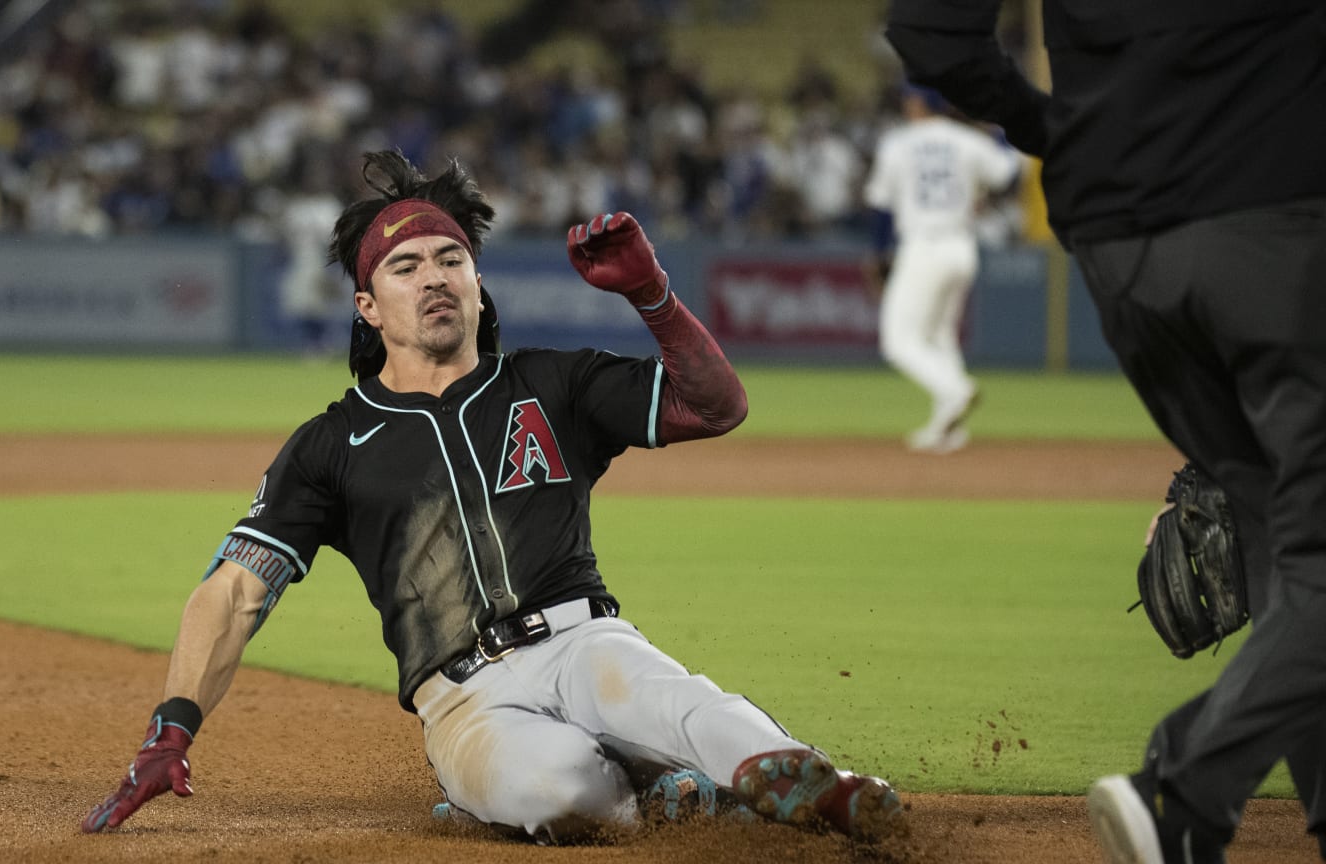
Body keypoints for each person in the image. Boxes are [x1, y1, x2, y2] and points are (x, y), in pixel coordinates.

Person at [80, 151, 909, 844]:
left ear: (479, 283)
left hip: (586, 642)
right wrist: (171, 728)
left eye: (451, 259)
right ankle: (635, 791)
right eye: (404, 267)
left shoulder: (555, 383)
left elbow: (716, 407)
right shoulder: (331, 444)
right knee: (562, 792)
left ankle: (822, 789)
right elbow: (234, 591)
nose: (433, 277)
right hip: (465, 697)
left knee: (683, 703)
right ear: (368, 306)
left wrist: (651, 294)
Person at [885, 1, 1326, 861]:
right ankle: (1182, 792)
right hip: (1277, 212)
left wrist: (1058, 127)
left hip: (1116, 236)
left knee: (1280, 527)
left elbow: (926, 33)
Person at [863, 85, 1020, 453]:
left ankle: (955, 389)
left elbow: (882, 208)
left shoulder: (898, 143)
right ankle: (946, 431)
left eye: (909, 99)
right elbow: (1008, 174)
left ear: (918, 104)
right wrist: (998, 132)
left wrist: (877, 254)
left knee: (898, 342)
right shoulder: (968, 141)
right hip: (961, 247)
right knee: (940, 335)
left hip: (923, 246)